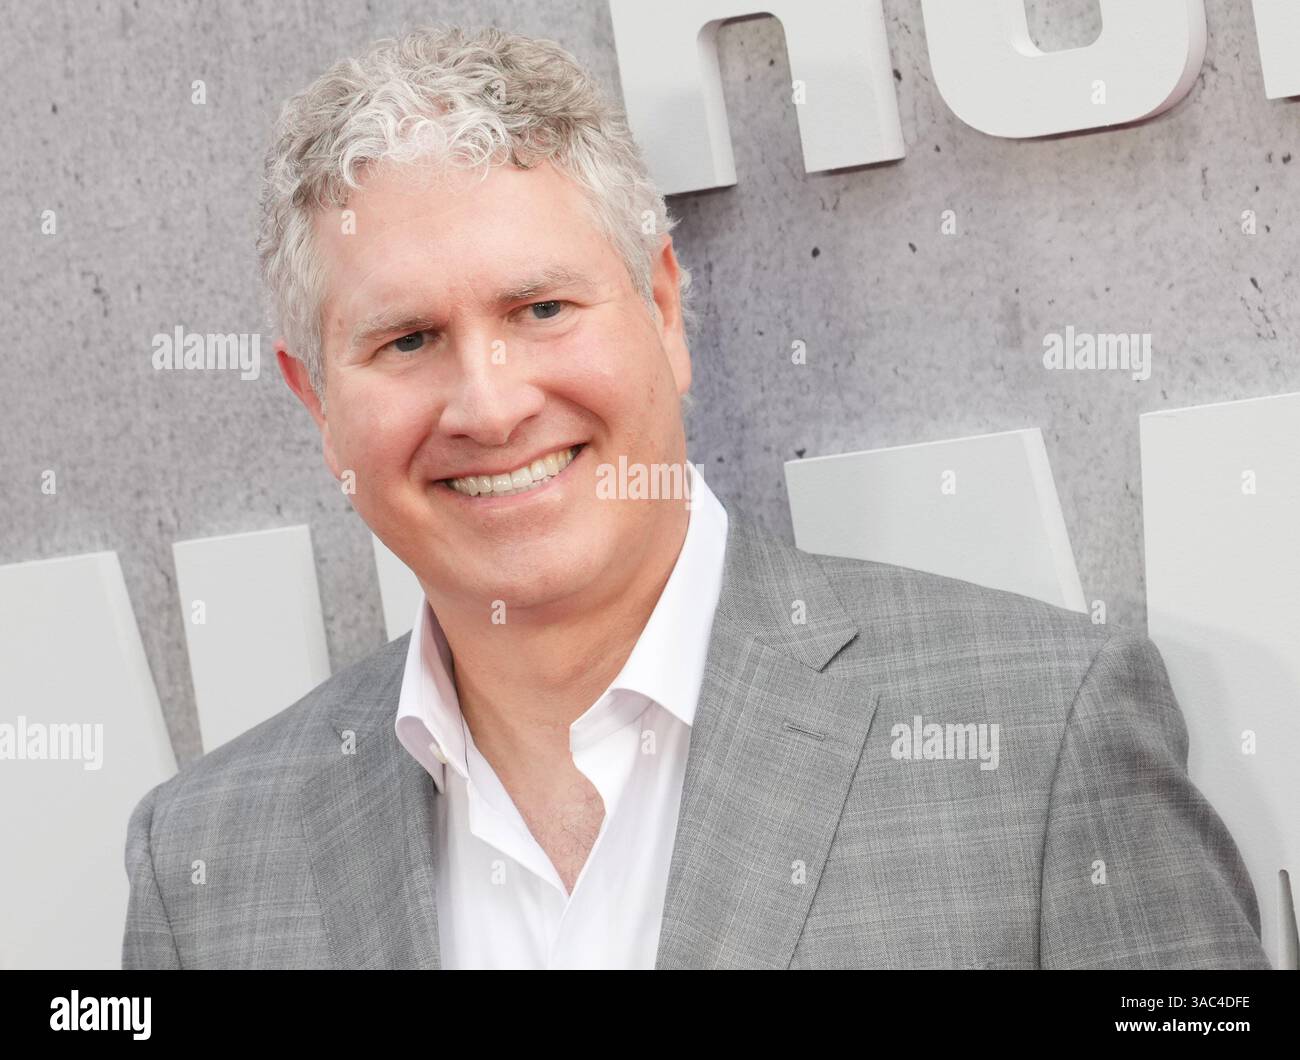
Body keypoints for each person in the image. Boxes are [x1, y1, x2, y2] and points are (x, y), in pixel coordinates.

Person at [122, 24, 1270, 969]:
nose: (489, 402)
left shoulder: (1040, 736)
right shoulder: (204, 865)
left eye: (541, 310)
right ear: (318, 405)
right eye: (409, 338)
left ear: (665, 312)